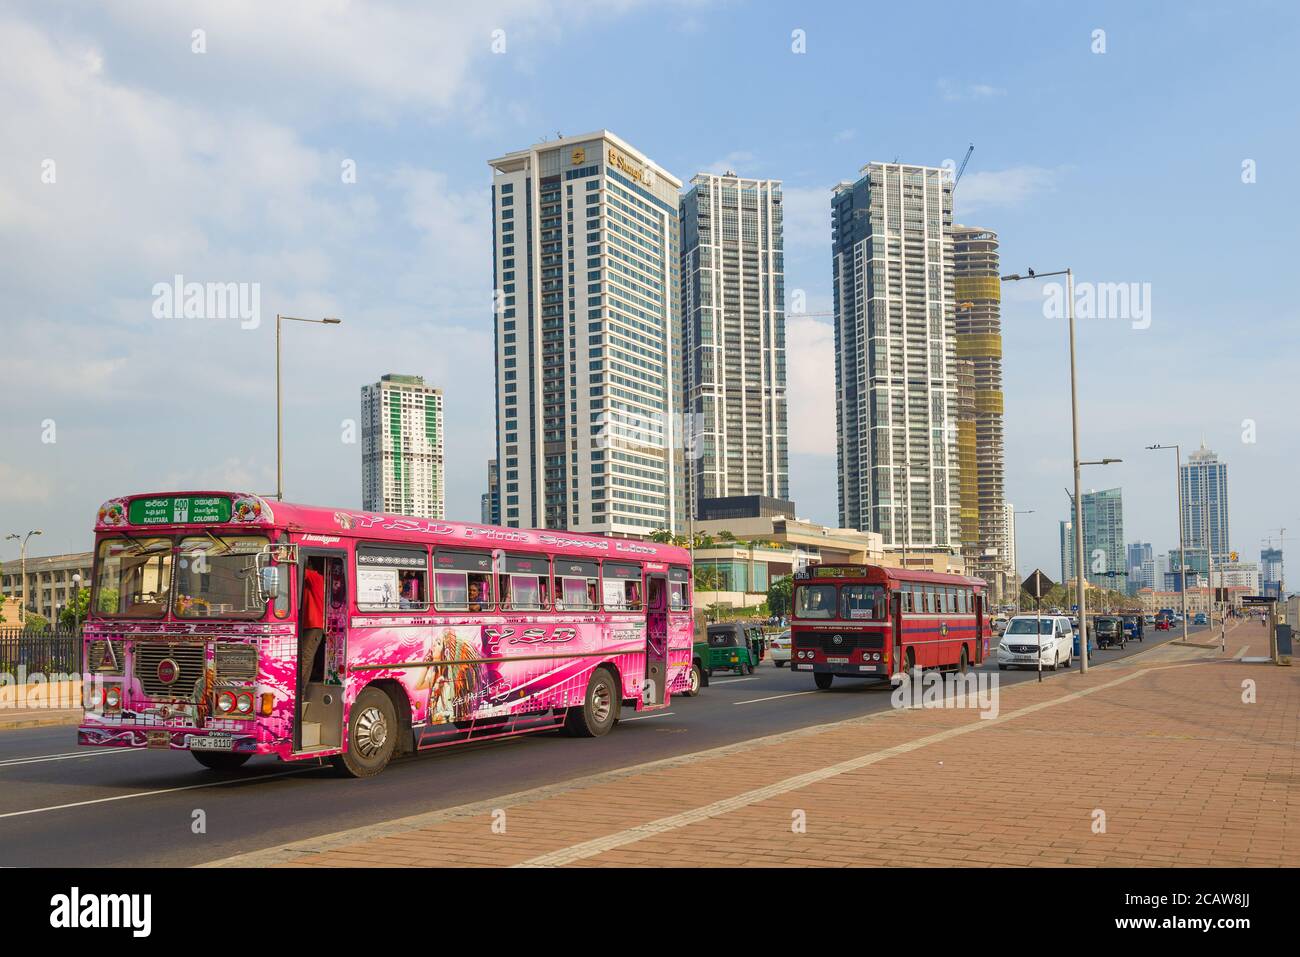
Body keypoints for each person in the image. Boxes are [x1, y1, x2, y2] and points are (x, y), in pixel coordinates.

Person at [299, 562, 326, 697]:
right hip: (308, 625)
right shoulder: (314, 580)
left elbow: (297, 571)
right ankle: (301, 693)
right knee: (307, 661)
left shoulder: (316, 578)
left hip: (314, 626)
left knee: (304, 659)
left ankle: (297, 693)